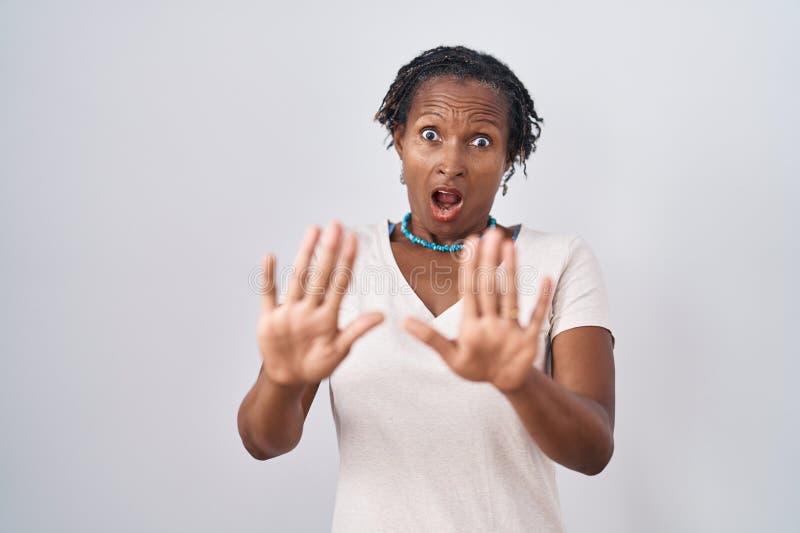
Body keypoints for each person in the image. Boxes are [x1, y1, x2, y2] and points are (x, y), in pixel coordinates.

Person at [237, 45, 616, 533]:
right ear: (399, 140)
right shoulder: (343, 260)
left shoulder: (560, 260)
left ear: (511, 156)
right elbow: (262, 442)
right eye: (430, 135)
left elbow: (594, 450)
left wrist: (521, 382)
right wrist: (283, 381)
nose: (451, 162)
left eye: (480, 141)